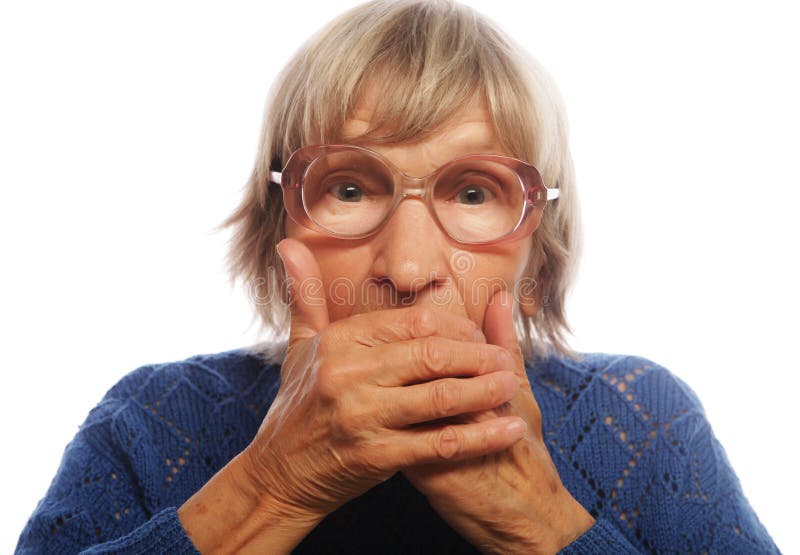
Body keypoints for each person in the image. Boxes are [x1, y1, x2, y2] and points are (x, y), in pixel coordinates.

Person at [16, 0, 780, 553]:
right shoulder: (152, 421)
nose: (408, 268)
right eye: (350, 189)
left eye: (474, 193)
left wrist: (541, 525)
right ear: (278, 225)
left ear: (538, 249)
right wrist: (270, 488)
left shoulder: (641, 421)